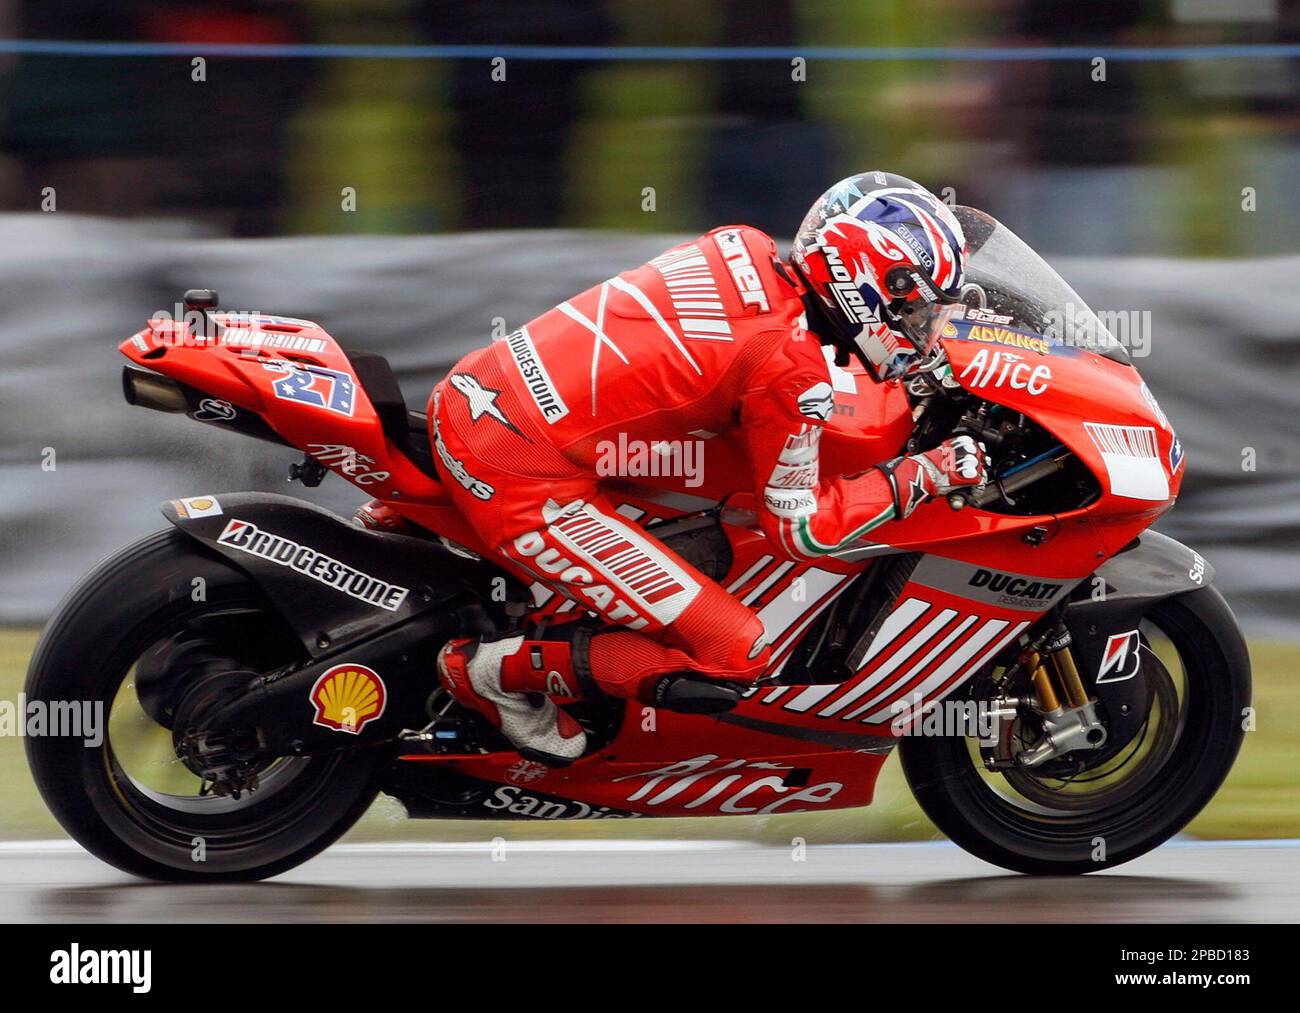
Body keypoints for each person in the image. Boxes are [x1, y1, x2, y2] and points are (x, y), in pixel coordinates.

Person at [431, 171, 988, 766]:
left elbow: (694, 360)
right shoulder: (791, 372)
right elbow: (800, 529)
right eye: (918, 312)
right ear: (872, 283)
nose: (923, 333)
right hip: (520, 471)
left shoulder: (739, 245)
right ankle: (492, 673)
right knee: (736, 651)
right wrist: (925, 474)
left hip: (473, 388)